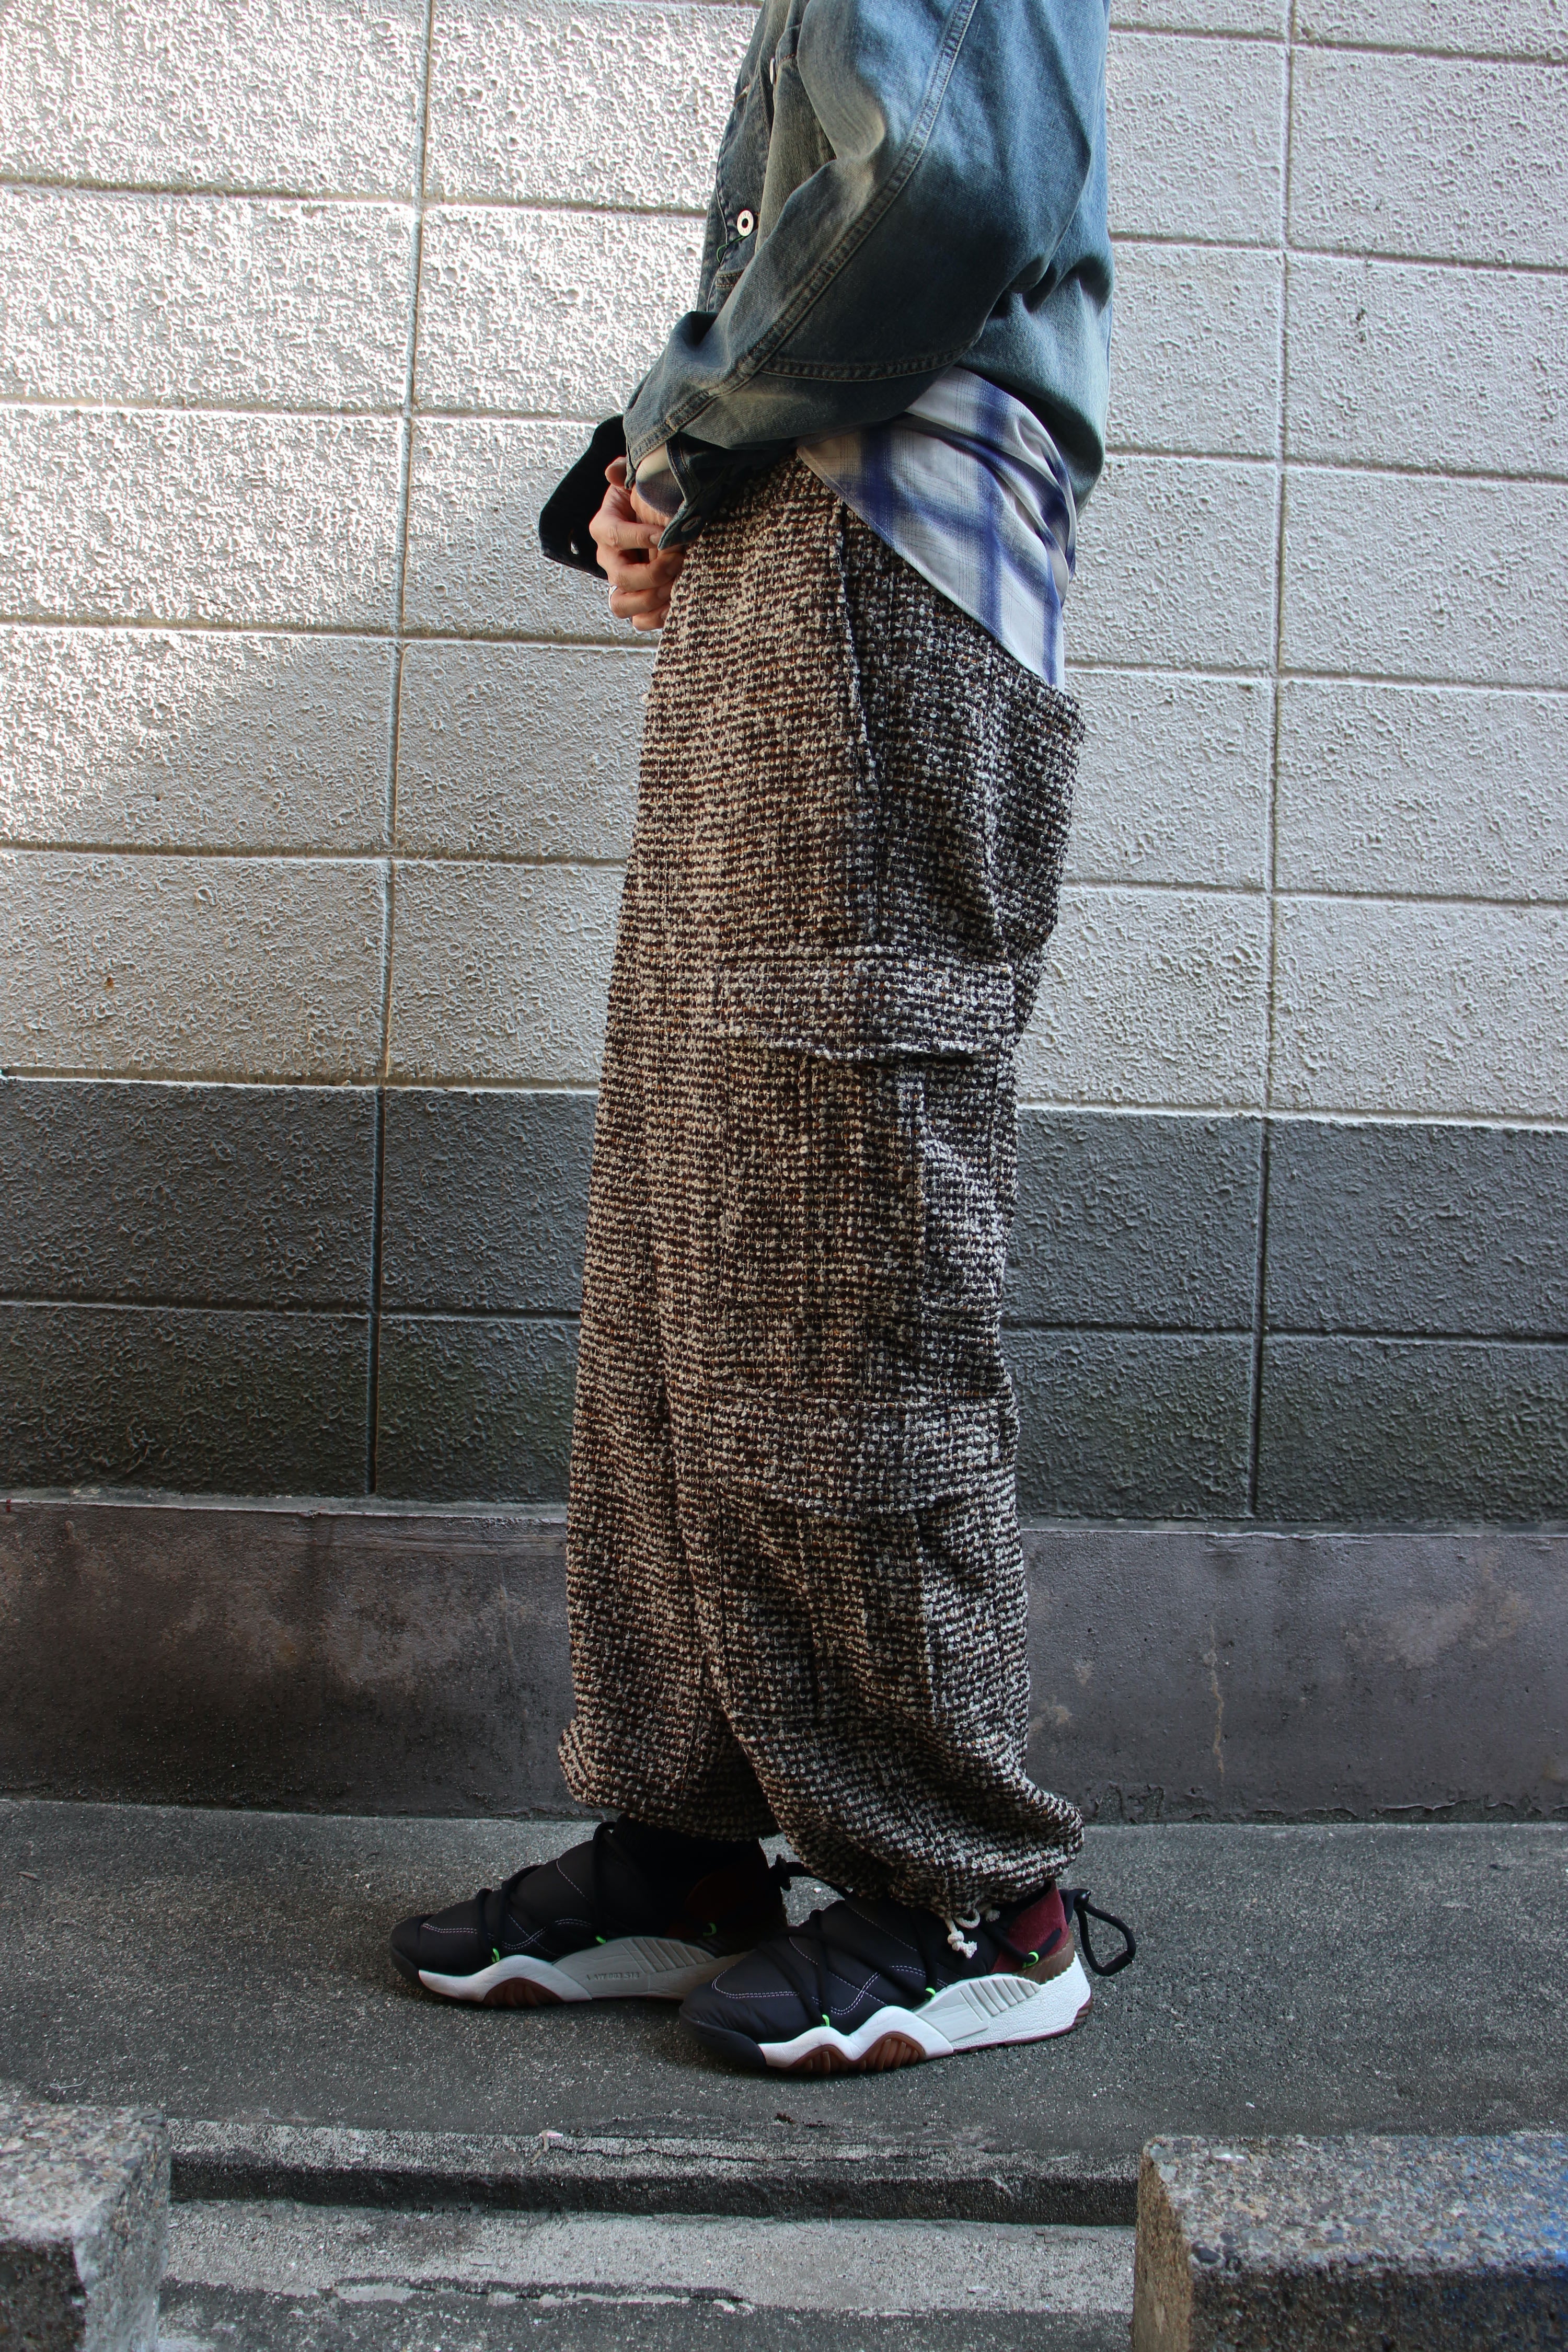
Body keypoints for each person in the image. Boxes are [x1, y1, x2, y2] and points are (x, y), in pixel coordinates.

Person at [390, 0, 1134, 2074]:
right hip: (798, 548)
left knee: (837, 1244)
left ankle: (977, 1896)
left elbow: (940, 197)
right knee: (689, 1238)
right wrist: (657, 469)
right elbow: (825, 234)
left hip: (889, 558)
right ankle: (690, 1836)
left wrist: (675, 437)